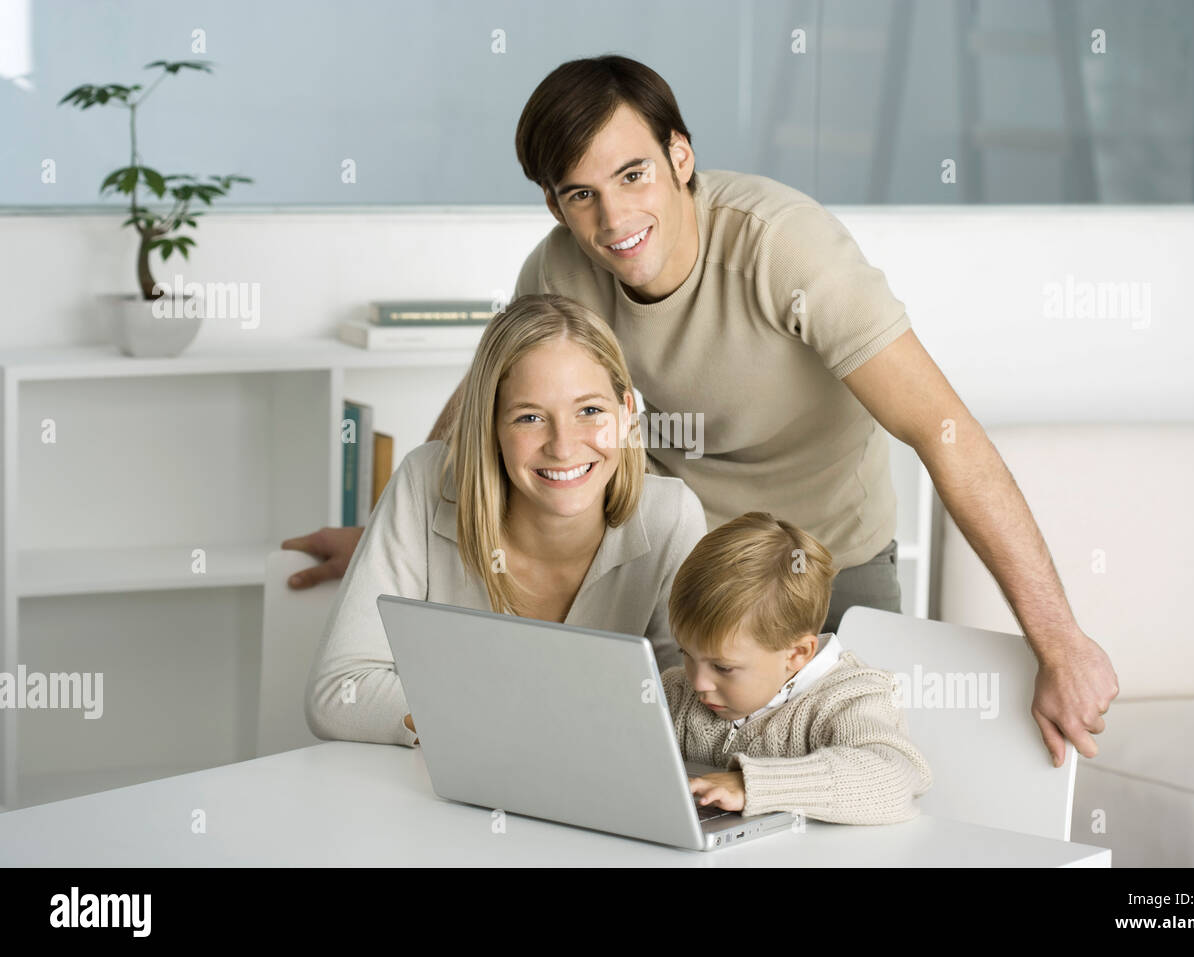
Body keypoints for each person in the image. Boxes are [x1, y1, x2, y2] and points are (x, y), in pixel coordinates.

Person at [287, 55, 1117, 770]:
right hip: (678, 561)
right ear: (555, 207)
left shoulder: (781, 248)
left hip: (818, 561)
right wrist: (389, 534)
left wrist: (1060, 640)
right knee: (661, 770)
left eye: (632, 174)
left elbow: (944, 433)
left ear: (679, 156)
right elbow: (488, 404)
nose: (613, 219)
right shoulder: (559, 269)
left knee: (844, 762)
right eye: (580, 194)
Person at [303, 294, 706, 747]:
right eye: (529, 417)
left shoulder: (670, 516)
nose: (563, 446)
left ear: (626, 414)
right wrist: (519, 726)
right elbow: (339, 693)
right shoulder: (424, 483)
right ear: (490, 427)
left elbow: (688, 706)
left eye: (590, 411)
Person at [664, 511, 932, 825]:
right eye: (686, 653)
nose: (698, 682)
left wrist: (751, 786)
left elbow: (893, 781)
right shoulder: (677, 691)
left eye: (723, 667)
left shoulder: (853, 698)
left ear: (797, 654)